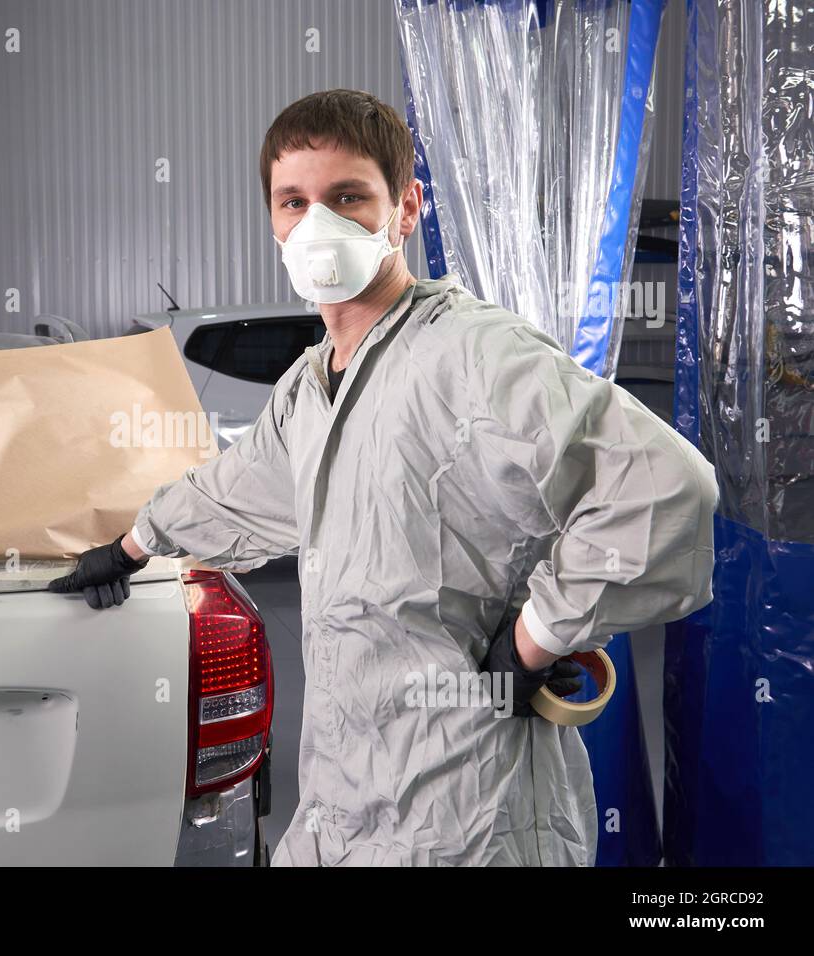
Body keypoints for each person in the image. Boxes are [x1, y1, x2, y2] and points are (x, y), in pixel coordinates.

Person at [49, 89, 718, 866]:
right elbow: (234, 488)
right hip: (344, 792)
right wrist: (127, 549)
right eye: (293, 201)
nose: (317, 225)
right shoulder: (310, 385)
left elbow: (665, 487)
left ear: (405, 210)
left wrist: (536, 638)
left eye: (347, 198)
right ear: (271, 220)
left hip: (466, 810)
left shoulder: (469, 355)